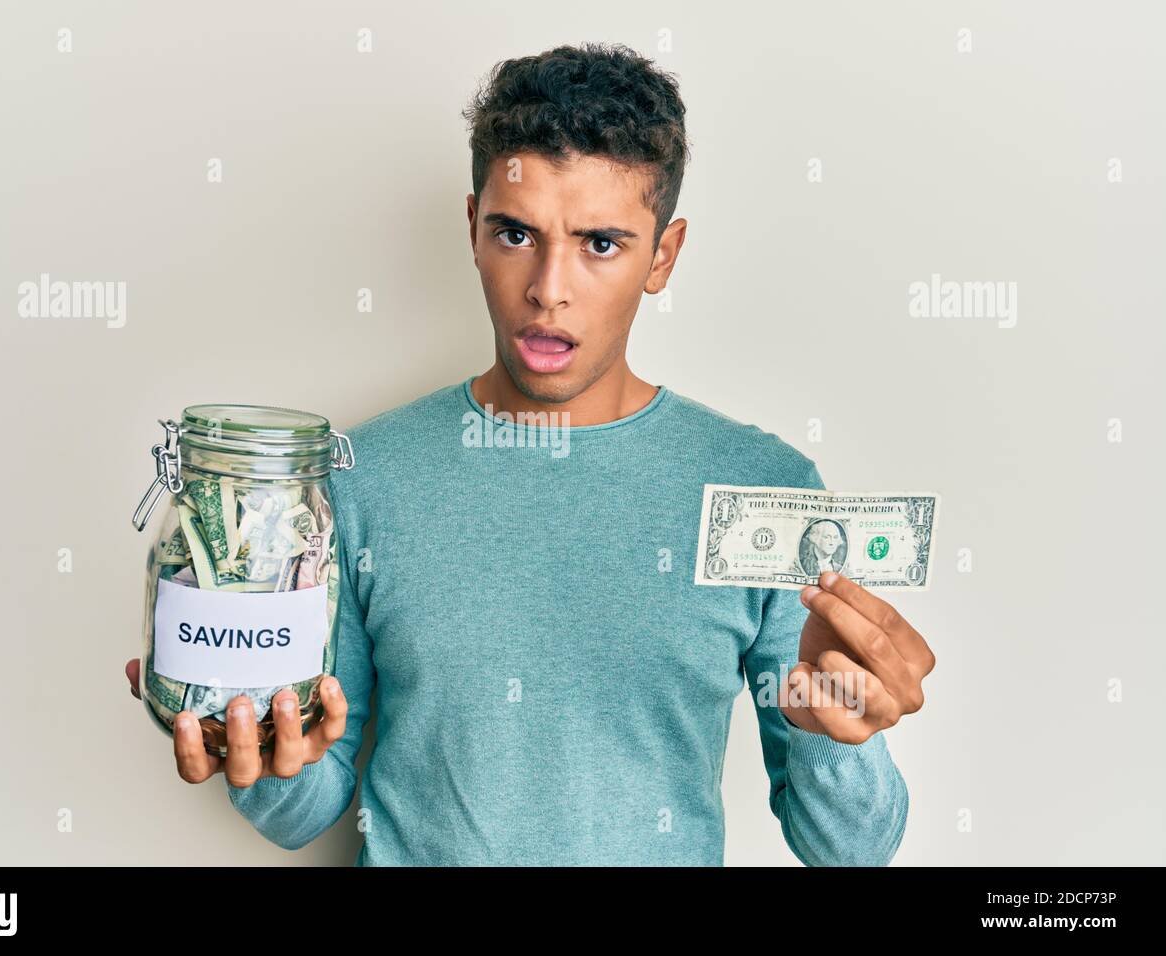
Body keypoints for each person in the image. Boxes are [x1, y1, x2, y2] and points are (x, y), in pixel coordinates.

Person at [125, 41, 934, 866]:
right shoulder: (351, 479)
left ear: (664, 255)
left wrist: (841, 733)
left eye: (602, 244)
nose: (550, 287)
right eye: (517, 233)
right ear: (472, 228)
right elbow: (305, 810)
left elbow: (849, 850)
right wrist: (248, 745)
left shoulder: (767, 491)